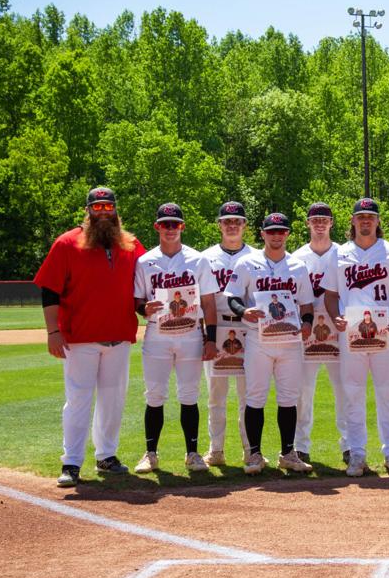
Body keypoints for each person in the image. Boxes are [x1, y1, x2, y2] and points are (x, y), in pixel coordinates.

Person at [33, 186, 145, 486]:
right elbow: (49, 290)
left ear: (116, 211)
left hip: (119, 337)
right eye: (98, 208)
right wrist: (53, 331)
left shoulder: (131, 245)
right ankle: (71, 462)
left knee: (113, 401)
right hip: (79, 339)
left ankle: (106, 456)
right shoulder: (67, 243)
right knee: (78, 400)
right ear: (88, 211)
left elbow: (146, 285)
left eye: (109, 207)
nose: (104, 213)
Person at [323, 197, 389, 476]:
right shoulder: (338, 254)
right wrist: (334, 317)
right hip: (351, 333)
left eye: (370, 216)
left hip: (384, 331)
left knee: (387, 391)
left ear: (377, 221)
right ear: (352, 220)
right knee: (352, 393)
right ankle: (357, 454)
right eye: (360, 216)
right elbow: (330, 294)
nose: (365, 220)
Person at [224, 213, 315, 474]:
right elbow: (231, 296)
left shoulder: (297, 266)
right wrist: (243, 311)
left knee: (289, 398)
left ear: (287, 234)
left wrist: (307, 323)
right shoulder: (247, 262)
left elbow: (306, 303)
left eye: (281, 231)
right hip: (258, 338)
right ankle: (254, 455)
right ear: (262, 234)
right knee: (255, 397)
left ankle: (288, 453)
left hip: (289, 341)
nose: (277, 235)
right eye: (271, 231)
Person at [131, 203, 219, 474]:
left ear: (182, 227)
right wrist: (142, 309)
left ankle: (192, 453)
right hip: (157, 334)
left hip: (190, 334)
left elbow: (209, 302)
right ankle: (150, 453)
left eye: (175, 224)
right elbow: (138, 299)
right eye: (165, 224)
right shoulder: (145, 261)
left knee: (189, 394)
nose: (170, 229)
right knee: (154, 394)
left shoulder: (198, 259)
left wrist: (211, 339)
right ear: (157, 227)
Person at [292, 202, 349, 467]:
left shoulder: (343, 254)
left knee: (344, 391)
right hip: (307, 330)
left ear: (331, 223)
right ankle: (300, 447)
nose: (319, 223)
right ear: (307, 223)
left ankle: (349, 445)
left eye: (324, 219)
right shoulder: (297, 257)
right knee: (303, 391)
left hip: (338, 330)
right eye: (314, 219)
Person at [200, 201, 256, 467]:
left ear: (245, 225)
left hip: (249, 329)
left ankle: (250, 450)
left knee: (249, 395)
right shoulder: (206, 257)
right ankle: (216, 450)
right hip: (218, 325)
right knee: (215, 395)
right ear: (219, 225)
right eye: (227, 221)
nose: (232, 225)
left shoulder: (258, 256)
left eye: (237, 221)